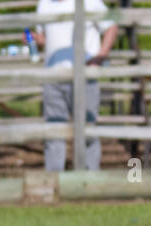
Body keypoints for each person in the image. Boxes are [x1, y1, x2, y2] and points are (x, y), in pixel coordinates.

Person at [34, 0, 117, 171]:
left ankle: (90, 178)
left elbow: (111, 25)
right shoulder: (43, 3)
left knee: (88, 130)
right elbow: (45, 39)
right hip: (53, 76)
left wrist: (100, 56)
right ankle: (55, 179)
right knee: (53, 131)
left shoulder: (91, 2)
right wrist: (35, 40)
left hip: (84, 77)